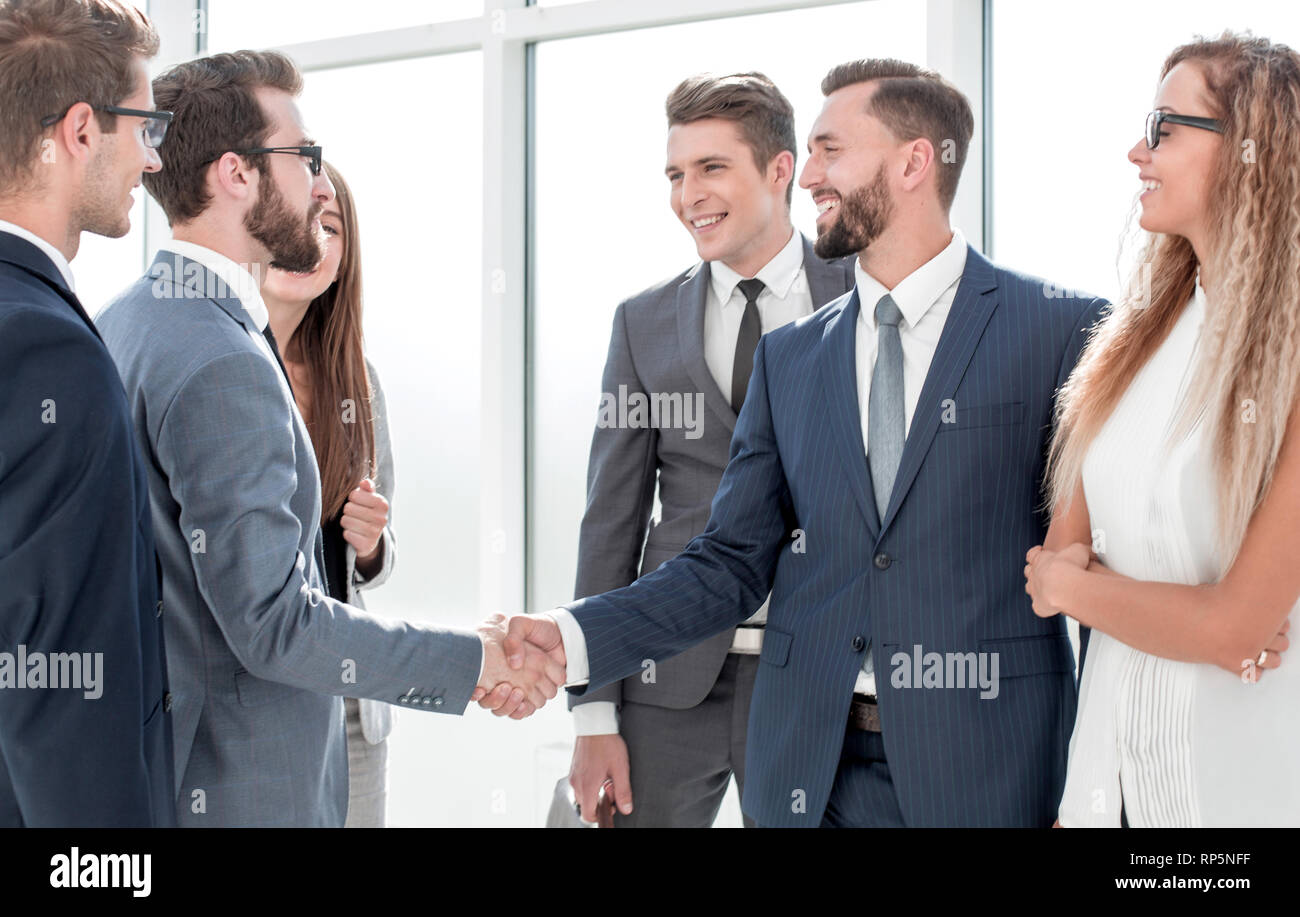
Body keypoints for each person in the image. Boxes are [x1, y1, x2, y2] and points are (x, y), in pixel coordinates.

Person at [502, 58, 1107, 828]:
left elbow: (1095, 573)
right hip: (811, 767)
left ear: (914, 161)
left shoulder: (1061, 328)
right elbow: (726, 562)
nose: (810, 175)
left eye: (830, 150)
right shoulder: (792, 360)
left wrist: (1096, 786)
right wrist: (571, 635)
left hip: (988, 763)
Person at [96, 50, 563, 827]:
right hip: (242, 785)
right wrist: (474, 656)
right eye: (304, 156)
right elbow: (276, 622)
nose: (320, 181)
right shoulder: (222, 359)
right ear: (235, 174)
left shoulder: (130, 320)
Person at [1026, 31, 1299, 828]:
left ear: (1251, 150)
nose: (1135, 152)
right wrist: (1178, 615)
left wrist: (1085, 588)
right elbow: (1054, 561)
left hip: (1236, 798)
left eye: (1164, 128)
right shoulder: (1128, 344)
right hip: (1101, 791)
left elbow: (1236, 625)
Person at [567, 72, 853, 827]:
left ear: (780, 169)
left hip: (817, 672)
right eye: (674, 174)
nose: (687, 193)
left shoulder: (864, 296)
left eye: (711, 168)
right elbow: (611, 522)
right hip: (666, 672)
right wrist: (594, 713)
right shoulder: (642, 322)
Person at [0, 0, 174, 828]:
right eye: (144, 127)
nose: (150, 159)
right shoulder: (53, 351)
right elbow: (66, 683)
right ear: (79, 130)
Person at [261, 160, 397, 827]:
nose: (312, 238)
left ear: (345, 259)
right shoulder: (217, 360)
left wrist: (371, 545)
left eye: (332, 226)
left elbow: (378, 555)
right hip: (260, 697)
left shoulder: (357, 379)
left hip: (349, 706)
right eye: (301, 217)